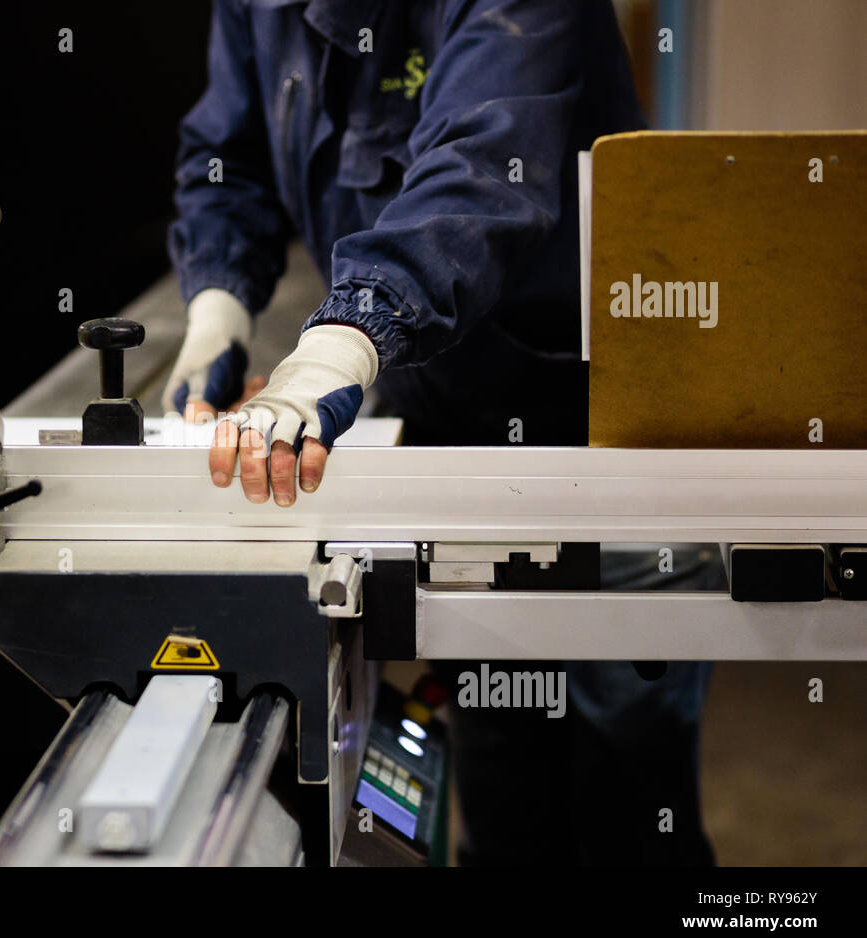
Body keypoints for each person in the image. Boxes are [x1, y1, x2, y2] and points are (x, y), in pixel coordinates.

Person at [164, 0, 714, 865]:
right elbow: (228, 157)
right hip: (448, 431)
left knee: (625, 783)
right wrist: (219, 303)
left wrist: (341, 343)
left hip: (607, 429)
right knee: (501, 761)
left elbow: (483, 168)